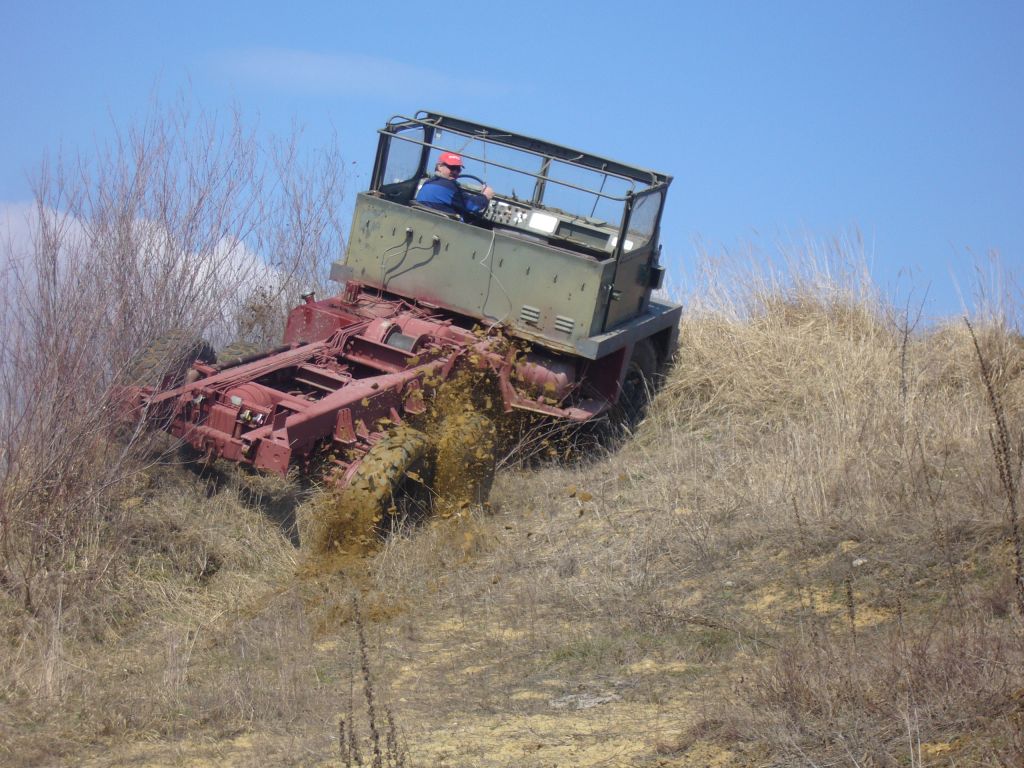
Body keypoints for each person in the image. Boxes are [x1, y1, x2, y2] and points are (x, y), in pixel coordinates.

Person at [415, 151, 494, 220]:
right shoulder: (450, 187)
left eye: (458, 169)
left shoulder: (428, 183)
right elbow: (474, 206)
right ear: (440, 166)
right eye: (452, 168)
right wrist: (485, 196)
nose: (456, 172)